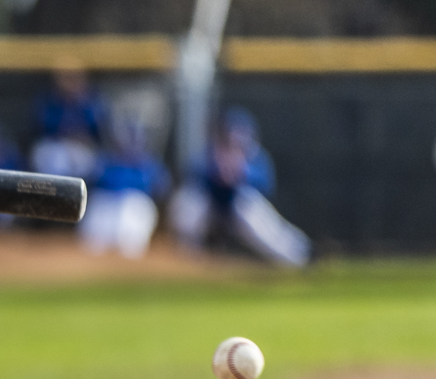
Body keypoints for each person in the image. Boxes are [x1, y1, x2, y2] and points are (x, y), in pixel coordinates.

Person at [170, 107, 311, 268]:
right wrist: (216, 173)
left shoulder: (255, 155)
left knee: (252, 209)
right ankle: (186, 258)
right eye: (229, 135)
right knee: (188, 200)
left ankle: (299, 256)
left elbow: (266, 186)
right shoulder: (208, 153)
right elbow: (191, 172)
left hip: (238, 209)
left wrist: (241, 174)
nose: (234, 140)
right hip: (210, 209)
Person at [78, 114, 171, 259]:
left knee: (128, 243)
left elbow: (162, 190)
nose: (129, 141)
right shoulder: (106, 161)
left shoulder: (150, 164)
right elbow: (93, 181)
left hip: (135, 204)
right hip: (107, 203)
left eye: (133, 137)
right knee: (93, 243)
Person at [29, 65, 105, 182]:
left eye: (74, 78)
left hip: (83, 146)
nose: (70, 83)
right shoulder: (50, 100)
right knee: (49, 155)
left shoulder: (90, 102)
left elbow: (97, 129)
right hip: (55, 145)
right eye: (66, 78)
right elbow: (43, 126)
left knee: (91, 161)